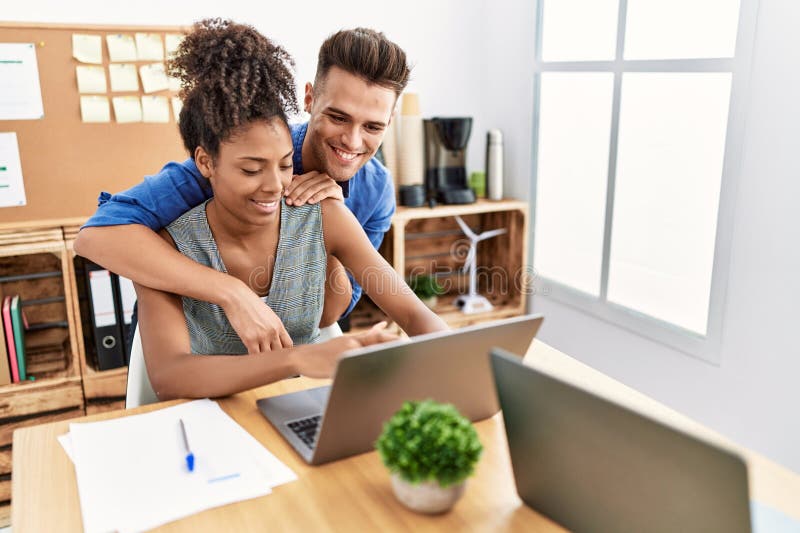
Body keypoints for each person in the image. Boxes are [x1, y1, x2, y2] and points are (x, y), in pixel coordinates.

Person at [127, 19, 447, 400]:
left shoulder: (334, 211)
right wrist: (295, 358)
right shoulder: (164, 244)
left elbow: (384, 312)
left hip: (292, 397)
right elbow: (171, 378)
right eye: (251, 169)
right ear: (206, 163)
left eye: (284, 165)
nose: (276, 185)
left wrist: (459, 367)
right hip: (204, 411)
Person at [74, 26, 409, 353]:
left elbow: (330, 313)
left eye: (372, 126)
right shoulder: (240, 155)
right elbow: (95, 236)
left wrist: (334, 228)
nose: (351, 141)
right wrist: (230, 291)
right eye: (337, 117)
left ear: (390, 122)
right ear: (309, 98)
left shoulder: (375, 193)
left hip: (289, 352)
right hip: (194, 344)